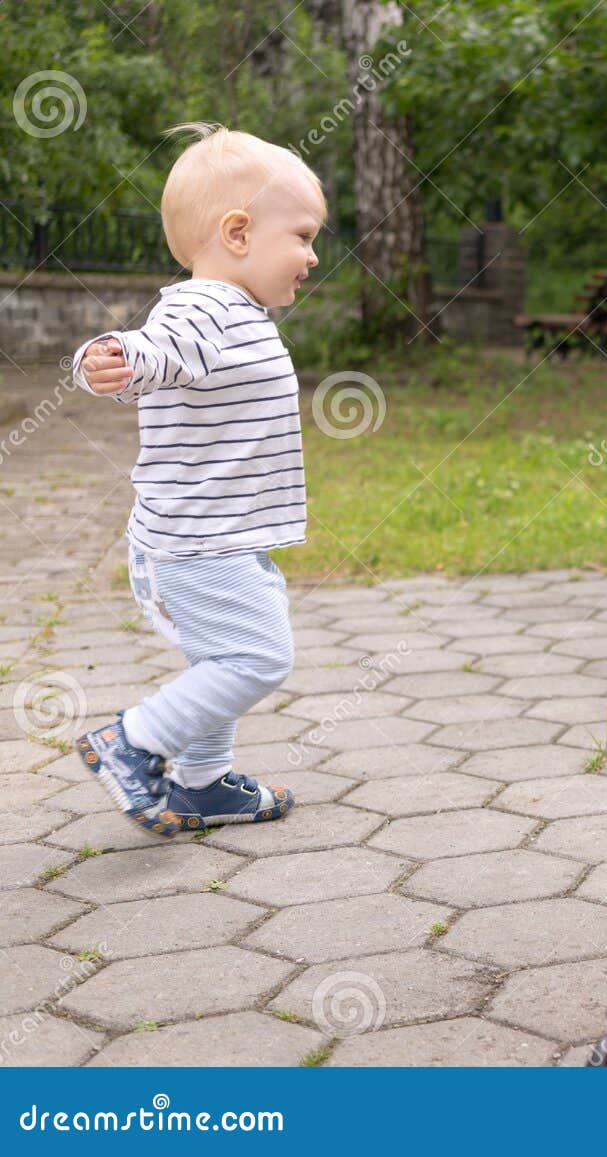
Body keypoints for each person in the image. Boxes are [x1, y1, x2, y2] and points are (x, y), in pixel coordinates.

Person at [69, 123, 323, 836]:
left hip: (216, 536)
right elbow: (152, 351)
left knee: (222, 657)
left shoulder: (235, 309)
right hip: (198, 541)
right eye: (301, 236)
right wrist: (109, 354)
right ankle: (133, 740)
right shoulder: (203, 307)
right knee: (258, 654)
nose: (310, 257)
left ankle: (203, 786)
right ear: (237, 232)